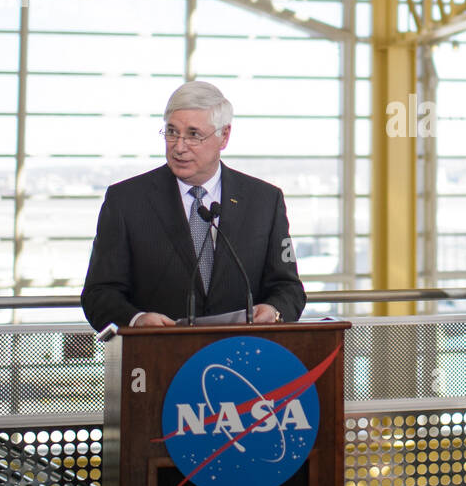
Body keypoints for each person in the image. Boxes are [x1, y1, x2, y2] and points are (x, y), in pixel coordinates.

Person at [82, 81, 305, 330]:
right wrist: (136, 321)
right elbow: (99, 294)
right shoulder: (126, 201)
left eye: (193, 135)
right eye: (172, 132)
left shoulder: (264, 201)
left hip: (242, 357)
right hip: (157, 358)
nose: (179, 147)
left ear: (224, 136)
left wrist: (275, 311)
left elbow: (289, 288)